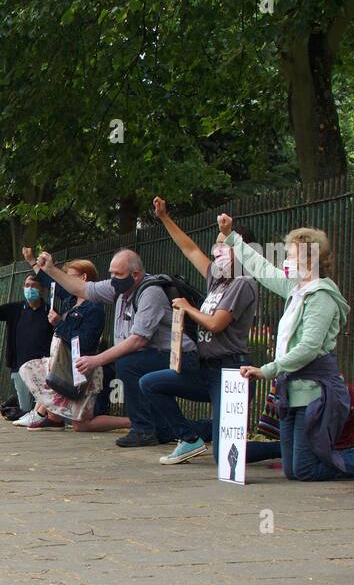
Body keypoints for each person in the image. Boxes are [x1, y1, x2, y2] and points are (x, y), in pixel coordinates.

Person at [141, 197, 280, 466]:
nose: (217, 251)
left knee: (224, 453)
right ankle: (189, 438)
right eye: (216, 246)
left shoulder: (244, 283)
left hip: (229, 372)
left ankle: (285, 447)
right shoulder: (217, 280)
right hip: (204, 369)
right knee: (150, 383)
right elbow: (190, 249)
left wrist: (187, 308)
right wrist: (165, 218)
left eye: (224, 246)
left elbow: (216, 323)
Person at [219, 214, 354, 480]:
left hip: (313, 392)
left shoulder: (321, 297)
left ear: (310, 260)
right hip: (291, 391)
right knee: (293, 470)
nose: (286, 261)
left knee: (304, 470)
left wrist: (268, 370)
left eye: (292, 256)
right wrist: (231, 236)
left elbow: (308, 347)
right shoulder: (295, 289)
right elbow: (261, 269)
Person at [32, 246, 197, 446]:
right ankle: (170, 428)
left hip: (181, 357)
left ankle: (142, 428)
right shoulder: (118, 288)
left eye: (117, 274)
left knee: (128, 363)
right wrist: (50, 269)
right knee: (131, 366)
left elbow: (139, 339)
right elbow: (81, 288)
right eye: (111, 273)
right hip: (153, 356)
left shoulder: (150, 292)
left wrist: (96, 360)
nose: (112, 278)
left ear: (135, 275)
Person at [17, 259, 130, 431]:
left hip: (80, 369)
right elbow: (52, 282)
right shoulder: (71, 300)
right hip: (63, 364)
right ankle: (50, 417)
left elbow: (84, 342)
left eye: (69, 277)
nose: (65, 281)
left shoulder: (94, 308)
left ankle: (134, 421)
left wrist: (59, 323)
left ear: (83, 278)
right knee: (35, 372)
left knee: (82, 424)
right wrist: (36, 263)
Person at [0, 270, 57, 425]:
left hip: (44, 365)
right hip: (20, 365)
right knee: (25, 405)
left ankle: (48, 419)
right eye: (26, 285)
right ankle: (31, 417)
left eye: (33, 285)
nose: (29, 288)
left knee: (46, 397)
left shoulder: (50, 311)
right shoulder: (15, 309)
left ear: (43, 289)